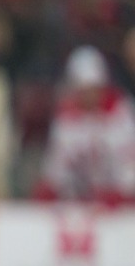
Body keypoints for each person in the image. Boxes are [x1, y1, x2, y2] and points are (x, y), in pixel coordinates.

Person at [43, 43, 135, 202]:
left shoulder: (121, 112)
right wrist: (52, 188)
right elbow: (56, 170)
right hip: (79, 200)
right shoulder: (66, 120)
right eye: (83, 90)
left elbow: (130, 165)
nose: (90, 96)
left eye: (94, 89)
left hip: (120, 204)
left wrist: (121, 192)